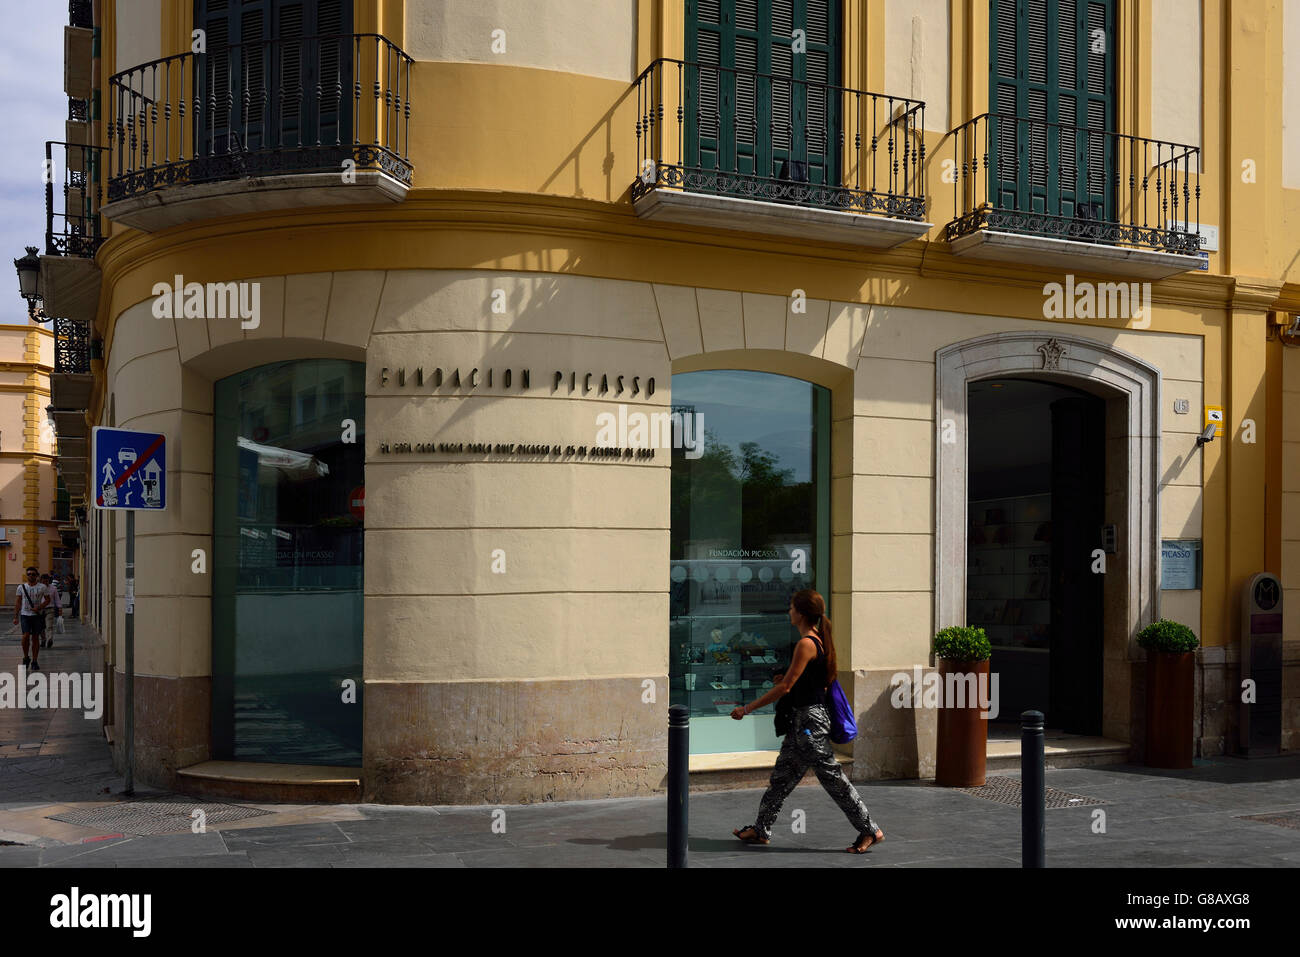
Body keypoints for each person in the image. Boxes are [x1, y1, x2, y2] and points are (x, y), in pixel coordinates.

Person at [729, 588, 884, 854]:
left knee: (833, 779)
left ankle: (870, 829)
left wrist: (748, 708)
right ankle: (761, 828)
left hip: (810, 725)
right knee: (781, 779)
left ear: (800, 613)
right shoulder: (815, 641)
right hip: (802, 723)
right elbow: (804, 682)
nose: (789, 611)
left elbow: (786, 687)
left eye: (791, 607)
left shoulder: (807, 643)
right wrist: (787, 680)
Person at [12, 566, 50, 672]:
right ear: (26, 575)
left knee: (35, 638)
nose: (31, 576)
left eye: (33, 574)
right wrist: (15, 616)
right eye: (29, 574)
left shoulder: (42, 587)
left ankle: (34, 661)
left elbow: (48, 600)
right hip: (25, 615)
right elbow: (18, 602)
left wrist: (39, 607)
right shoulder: (21, 587)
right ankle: (26, 657)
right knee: (25, 636)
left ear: (37, 575)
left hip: (37, 616)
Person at [40, 574, 61, 649]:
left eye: (47, 581)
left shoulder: (53, 588)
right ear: (41, 580)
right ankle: (43, 639)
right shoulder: (38, 588)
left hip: (50, 609)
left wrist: (59, 608)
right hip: (40, 610)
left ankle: (50, 639)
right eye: (44, 581)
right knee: (41, 627)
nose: (45, 582)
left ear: (49, 580)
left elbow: (57, 599)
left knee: (49, 626)